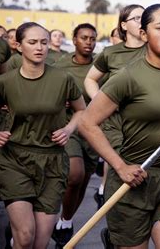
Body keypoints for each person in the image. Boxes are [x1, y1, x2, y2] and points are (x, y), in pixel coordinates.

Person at [78, 3, 160, 249]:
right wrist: (121, 166)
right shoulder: (127, 76)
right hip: (133, 181)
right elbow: (86, 123)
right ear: (145, 35)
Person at [0, 22, 85, 249]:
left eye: (44, 42)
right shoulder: (5, 82)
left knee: (39, 243)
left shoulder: (63, 79)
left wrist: (68, 129)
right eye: (33, 42)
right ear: (18, 46)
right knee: (25, 236)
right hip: (14, 160)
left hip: (53, 162)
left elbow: (82, 110)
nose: (40, 48)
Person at [84, 4, 146, 209]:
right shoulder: (111, 53)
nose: (141, 22)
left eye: (144, 18)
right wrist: (102, 103)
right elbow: (90, 80)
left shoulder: (154, 50)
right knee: (120, 169)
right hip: (115, 124)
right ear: (124, 25)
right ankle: (115, 228)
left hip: (144, 123)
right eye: (136, 18)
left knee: (140, 176)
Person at [51, 23, 99, 247]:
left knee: (83, 181)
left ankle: (66, 221)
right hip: (68, 127)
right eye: (84, 38)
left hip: (93, 131)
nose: (88, 42)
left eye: (92, 38)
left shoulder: (100, 66)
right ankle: (60, 218)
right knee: (75, 175)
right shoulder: (61, 65)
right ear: (75, 39)